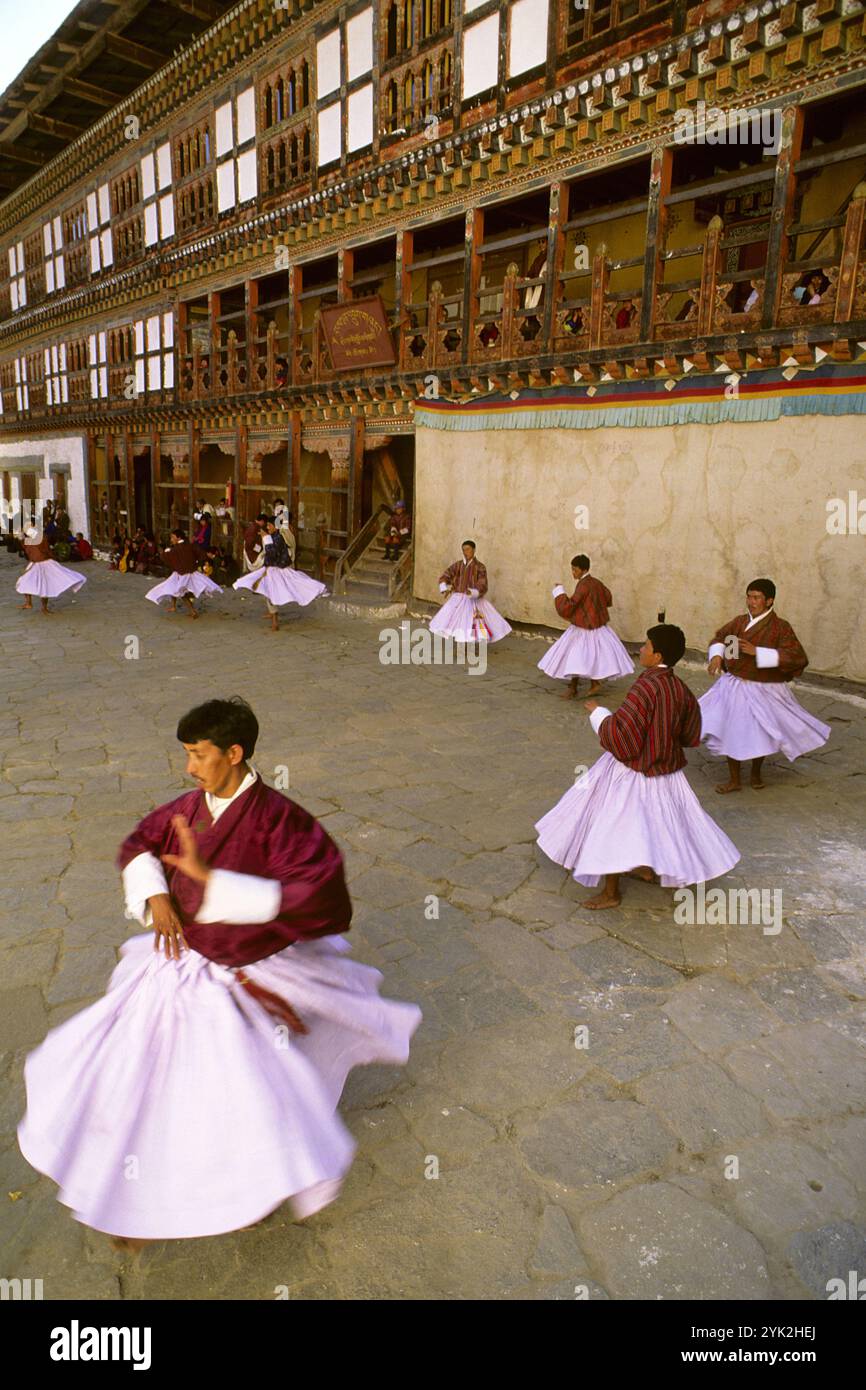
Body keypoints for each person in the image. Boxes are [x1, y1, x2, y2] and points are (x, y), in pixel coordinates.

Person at [17, 697, 421, 1246]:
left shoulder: (284, 821)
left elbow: (322, 897)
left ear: (234, 753)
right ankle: (133, 1196)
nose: (189, 767)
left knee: (237, 1092)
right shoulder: (187, 808)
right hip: (179, 963)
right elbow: (141, 845)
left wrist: (218, 885)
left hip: (249, 970)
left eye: (198, 755)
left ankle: (241, 1186)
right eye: (186, 754)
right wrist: (156, 894)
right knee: (142, 1075)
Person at [536, 624, 740, 910]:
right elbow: (691, 732)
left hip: (631, 771)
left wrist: (600, 715)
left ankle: (610, 892)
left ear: (657, 655)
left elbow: (625, 737)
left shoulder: (645, 686)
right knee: (657, 822)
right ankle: (646, 866)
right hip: (667, 771)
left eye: (646, 646)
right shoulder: (679, 688)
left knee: (612, 825)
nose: (640, 650)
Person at [699, 578, 831, 793]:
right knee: (732, 730)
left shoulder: (781, 627)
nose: (751, 602)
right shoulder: (739, 623)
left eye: (757, 598)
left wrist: (757, 652)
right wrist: (717, 657)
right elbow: (722, 639)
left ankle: (755, 773)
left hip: (764, 686)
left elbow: (796, 657)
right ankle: (734, 780)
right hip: (735, 685)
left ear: (769, 601)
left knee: (759, 732)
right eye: (749, 597)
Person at [538, 554, 633, 698]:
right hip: (597, 627)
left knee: (576, 657)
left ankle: (574, 688)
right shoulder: (596, 582)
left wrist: (559, 593)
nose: (573, 573)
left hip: (583, 628)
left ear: (583, 570)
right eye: (572, 569)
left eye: (575, 570)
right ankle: (589, 684)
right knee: (592, 656)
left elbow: (569, 606)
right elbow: (608, 597)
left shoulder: (582, 586)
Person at [234, 517, 328, 632]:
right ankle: (273, 617)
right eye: (267, 525)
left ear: (276, 526)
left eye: (270, 525)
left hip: (279, 569)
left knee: (294, 586)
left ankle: (275, 621)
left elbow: (272, 553)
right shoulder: (273, 536)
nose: (268, 527)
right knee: (268, 593)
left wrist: (266, 538)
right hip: (270, 569)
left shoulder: (279, 538)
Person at [429, 540, 512, 644]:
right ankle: (460, 646)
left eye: (468, 549)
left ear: (474, 550)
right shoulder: (458, 565)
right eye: (463, 550)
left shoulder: (480, 567)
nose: (465, 552)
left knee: (472, 624)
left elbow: (482, 583)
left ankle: (469, 646)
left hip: (473, 600)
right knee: (456, 623)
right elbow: (446, 574)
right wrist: (444, 587)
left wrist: (473, 592)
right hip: (457, 599)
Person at [145, 530, 222, 618]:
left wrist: (164, 552)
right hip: (185, 572)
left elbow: (165, 557)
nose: (171, 539)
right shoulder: (189, 545)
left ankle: (193, 611)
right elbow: (202, 555)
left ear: (178, 538)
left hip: (183, 574)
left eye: (173, 537)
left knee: (180, 592)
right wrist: (196, 564)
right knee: (172, 586)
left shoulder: (176, 549)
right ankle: (174, 606)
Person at [16, 525, 87, 612]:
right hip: (34, 563)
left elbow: (46, 550)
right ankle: (29, 603)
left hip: (45, 563)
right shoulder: (27, 540)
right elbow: (24, 546)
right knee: (23, 581)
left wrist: (53, 558)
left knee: (45, 586)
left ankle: (44, 608)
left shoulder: (41, 538)